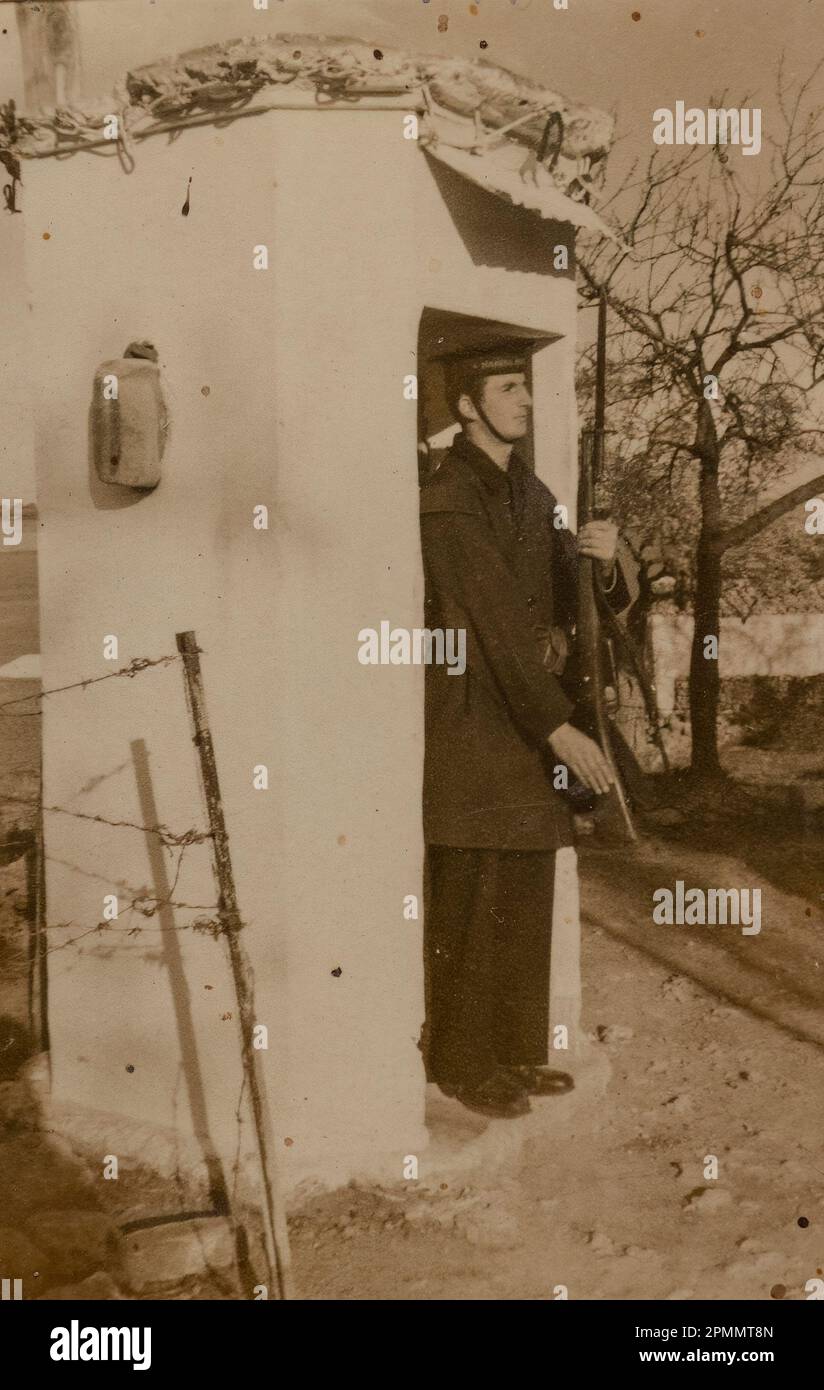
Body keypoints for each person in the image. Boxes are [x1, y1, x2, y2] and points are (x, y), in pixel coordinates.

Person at [419, 342, 630, 1118]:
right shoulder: (449, 496)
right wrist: (559, 728)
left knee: (524, 884)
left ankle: (511, 1051)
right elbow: (496, 622)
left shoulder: (530, 492)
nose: (525, 400)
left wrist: (601, 565)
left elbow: (557, 595)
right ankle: (463, 1064)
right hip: (476, 714)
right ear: (468, 405)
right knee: (474, 890)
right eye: (508, 387)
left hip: (526, 713)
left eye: (525, 387)